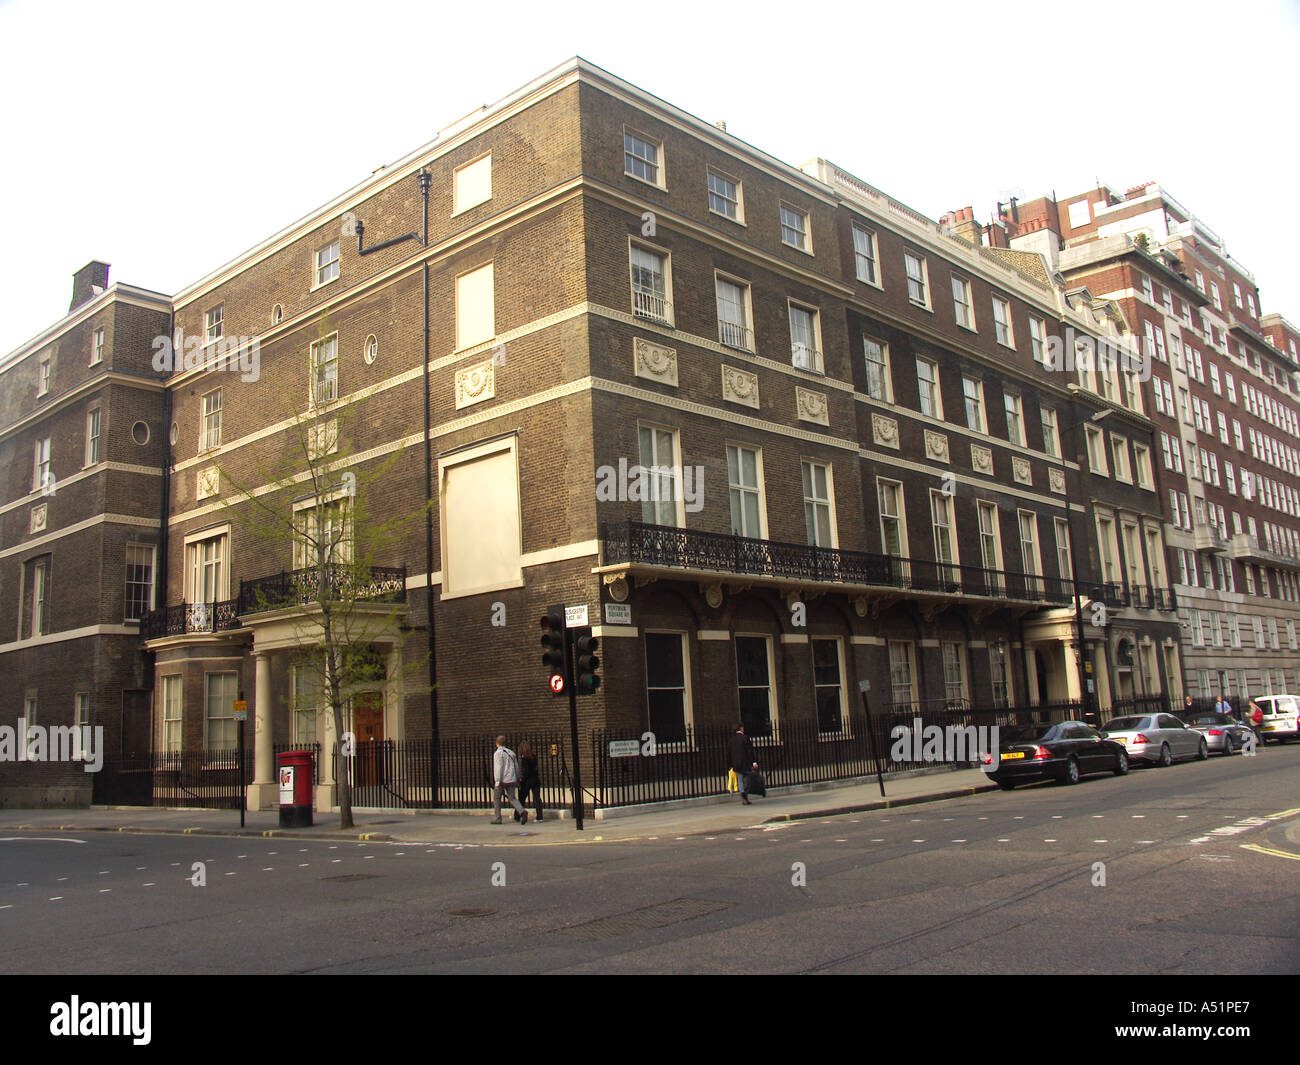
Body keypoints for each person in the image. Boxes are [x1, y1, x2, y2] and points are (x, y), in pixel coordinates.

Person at [491, 736, 527, 825]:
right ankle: (522, 811)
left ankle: (497, 818)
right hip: (512, 778)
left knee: (497, 798)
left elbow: (498, 767)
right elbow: (516, 766)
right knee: (512, 798)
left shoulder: (498, 753)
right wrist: (518, 778)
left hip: (502, 779)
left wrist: (497, 781)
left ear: (497, 743)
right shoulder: (511, 753)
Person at [728, 722, 756, 806]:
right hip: (745, 762)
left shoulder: (731, 740)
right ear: (740, 728)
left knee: (740, 779)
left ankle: (743, 795)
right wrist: (754, 762)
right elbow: (749, 751)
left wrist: (730, 764)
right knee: (748, 779)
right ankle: (745, 795)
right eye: (742, 727)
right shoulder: (745, 738)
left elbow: (729, 753)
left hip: (736, 764)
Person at [517, 740, 543, 823]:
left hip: (528, 781)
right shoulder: (534, 757)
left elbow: (526, 771)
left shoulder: (524, 758)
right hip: (535, 779)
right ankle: (540, 816)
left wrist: (522, 779)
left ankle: (518, 815)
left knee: (522, 797)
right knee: (537, 798)